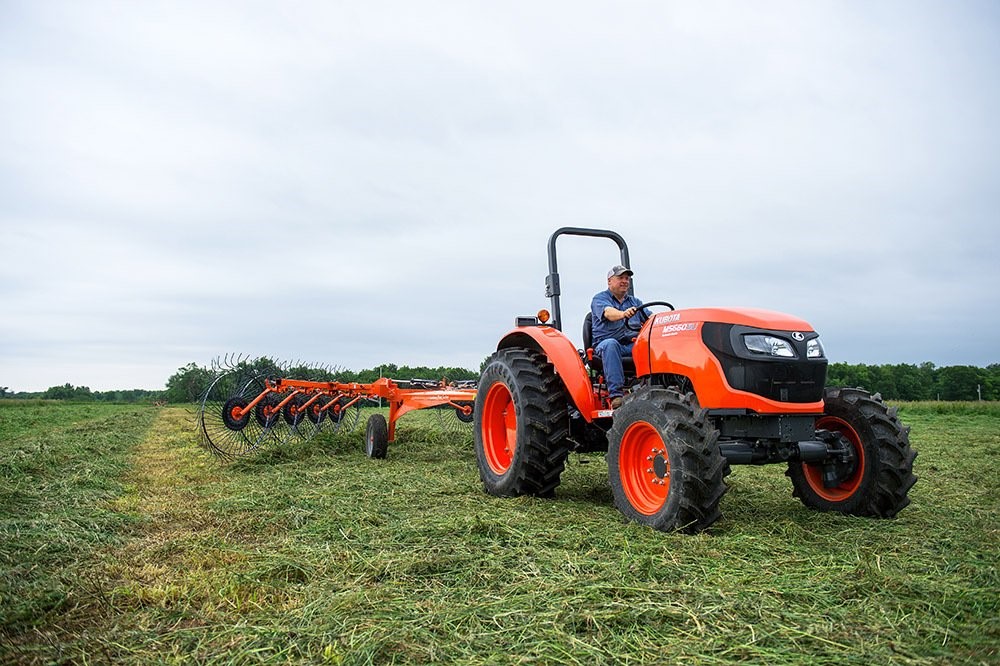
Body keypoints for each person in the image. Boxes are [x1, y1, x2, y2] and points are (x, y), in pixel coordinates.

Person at [590, 265, 649, 409]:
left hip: (631, 345)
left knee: (651, 344)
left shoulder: (635, 302)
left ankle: (654, 388)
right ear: (609, 281)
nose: (625, 281)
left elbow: (650, 317)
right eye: (620, 278)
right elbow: (608, 313)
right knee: (611, 344)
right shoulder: (600, 299)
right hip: (605, 346)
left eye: (627, 278)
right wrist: (623, 314)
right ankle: (616, 396)